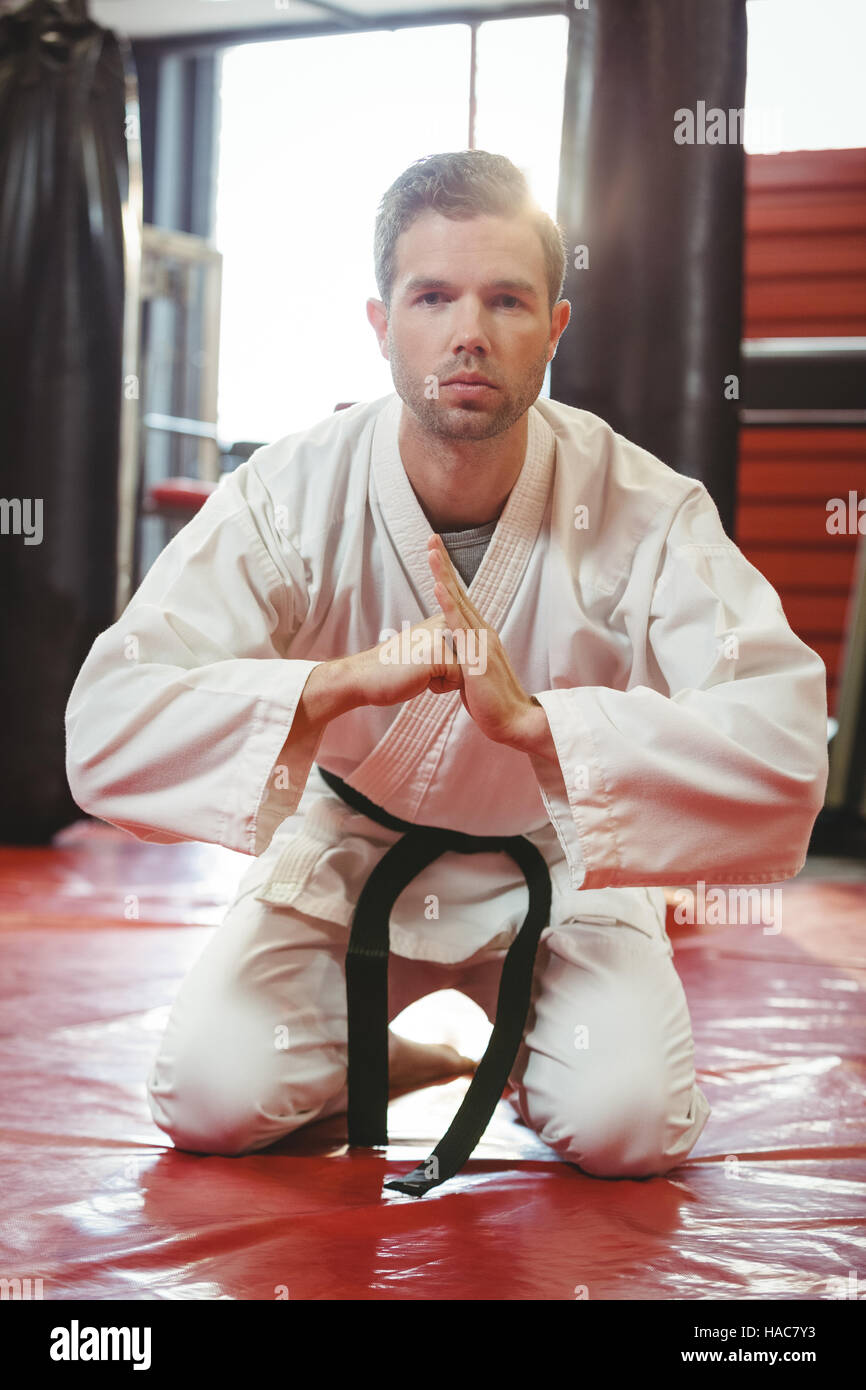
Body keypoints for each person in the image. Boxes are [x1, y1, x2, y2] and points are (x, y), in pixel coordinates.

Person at [65, 150, 828, 1195]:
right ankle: (397, 1052)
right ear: (381, 324)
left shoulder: (643, 507)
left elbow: (783, 740)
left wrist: (542, 728)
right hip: (349, 842)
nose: (468, 331)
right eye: (432, 296)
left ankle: (528, 1051)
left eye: (506, 299)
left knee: (626, 1127)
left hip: (554, 858)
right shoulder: (288, 493)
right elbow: (107, 719)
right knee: (209, 1098)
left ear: (553, 330)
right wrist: (338, 683)